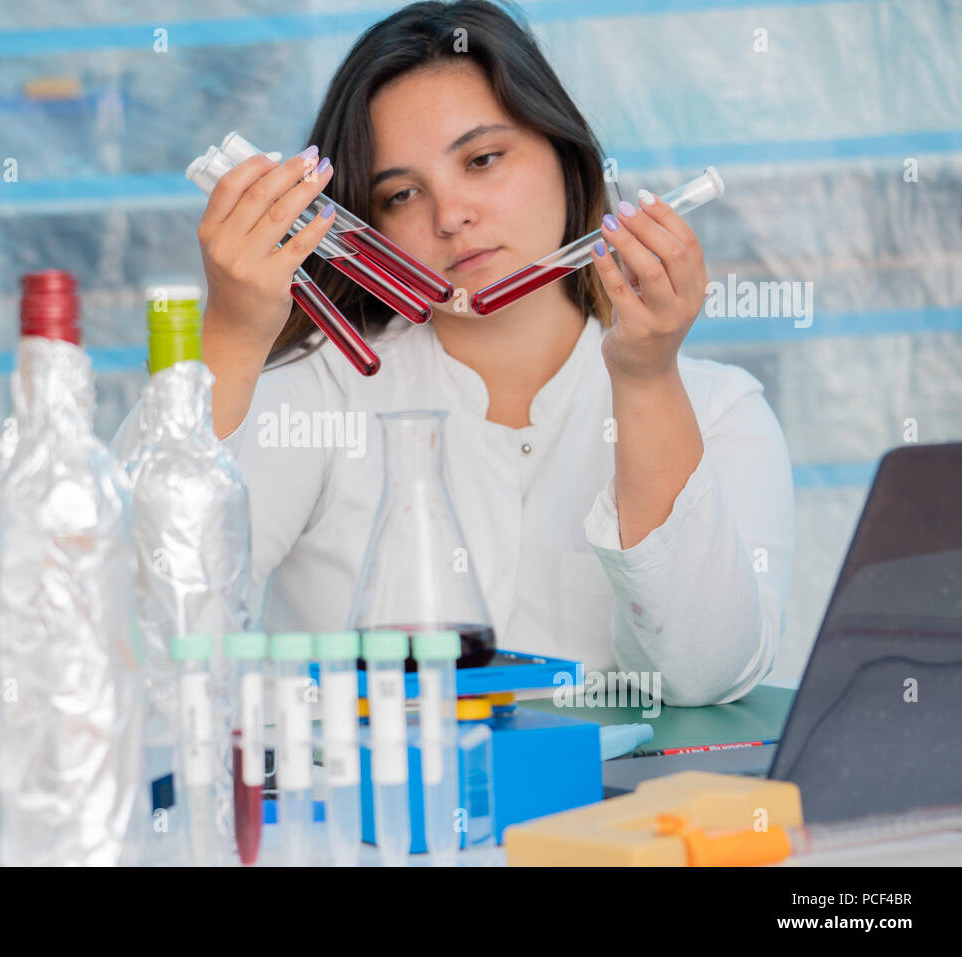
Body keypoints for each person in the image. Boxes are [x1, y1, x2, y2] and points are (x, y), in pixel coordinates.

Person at [114, 0, 794, 707]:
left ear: (566, 154)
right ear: (364, 222)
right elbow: (147, 615)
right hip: (367, 814)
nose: (450, 215)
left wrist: (647, 379)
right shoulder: (327, 390)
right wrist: (229, 333)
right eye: (402, 193)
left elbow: (706, 673)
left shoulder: (718, 411)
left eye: (483, 159)